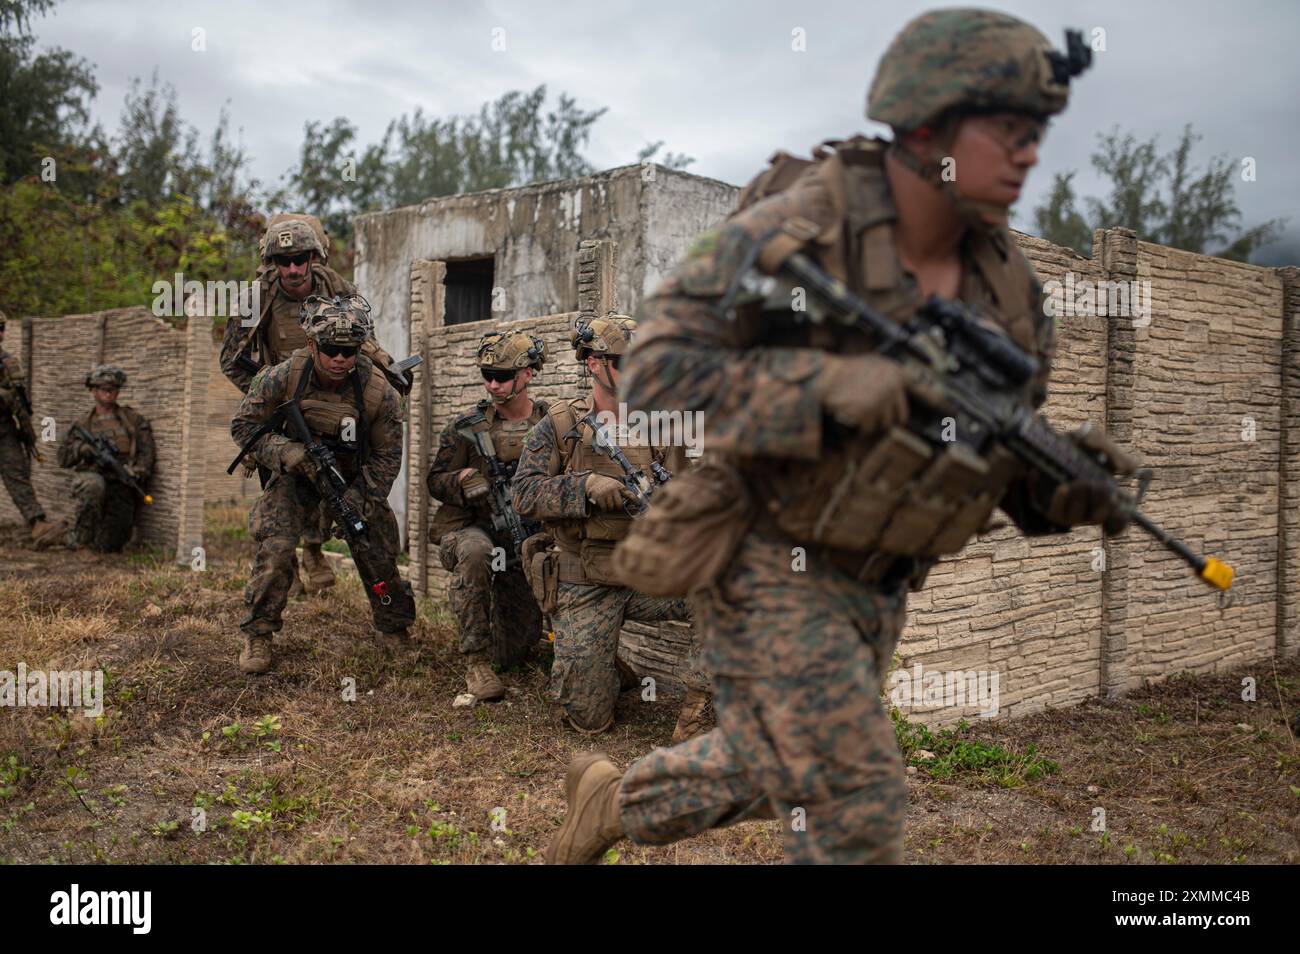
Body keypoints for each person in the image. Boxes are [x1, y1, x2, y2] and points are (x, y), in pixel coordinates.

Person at [546, 10, 1131, 864]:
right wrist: (828, 389)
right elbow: (658, 373)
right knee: (854, 798)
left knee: (772, 763)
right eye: (1007, 129)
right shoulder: (800, 222)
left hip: (880, 579)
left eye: (1036, 132)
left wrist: (1058, 486)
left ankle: (610, 805)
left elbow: (989, 452)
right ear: (929, 120)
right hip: (764, 550)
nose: (1030, 153)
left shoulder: (1007, 291)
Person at [513, 315, 712, 742]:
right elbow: (524, 494)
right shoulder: (560, 425)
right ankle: (602, 662)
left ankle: (698, 712)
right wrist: (584, 487)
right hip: (587, 578)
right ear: (593, 363)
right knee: (588, 722)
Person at [230, 294, 415, 674]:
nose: (340, 359)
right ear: (312, 345)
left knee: (375, 549)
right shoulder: (282, 376)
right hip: (296, 474)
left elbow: (387, 458)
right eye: (331, 349)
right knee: (277, 547)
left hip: (353, 479)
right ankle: (258, 633)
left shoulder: (379, 391)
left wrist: (358, 498)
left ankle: (393, 626)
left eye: (348, 350)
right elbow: (243, 427)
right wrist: (286, 452)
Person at [426, 331, 549, 701]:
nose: (493, 384)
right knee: (477, 552)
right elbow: (435, 481)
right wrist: (461, 480)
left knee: (512, 653)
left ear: (527, 374)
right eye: (487, 376)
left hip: (524, 535)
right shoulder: (466, 427)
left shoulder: (551, 424)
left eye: (502, 375)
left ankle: (588, 655)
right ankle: (475, 663)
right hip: (470, 529)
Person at [57, 366, 156, 552]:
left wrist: (137, 471)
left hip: (121, 480)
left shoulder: (132, 420)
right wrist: (82, 449)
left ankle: (66, 535)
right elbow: (62, 458)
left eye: (114, 389)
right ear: (93, 390)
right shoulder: (82, 424)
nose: (109, 394)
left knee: (111, 544)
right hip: (92, 475)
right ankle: (81, 542)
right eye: (104, 389)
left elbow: (147, 453)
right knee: (93, 486)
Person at [0, 309, 59, 546]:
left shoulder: (7, 364)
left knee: (17, 474)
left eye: (0, 328)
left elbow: (21, 404)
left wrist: (28, 435)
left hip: (3, 429)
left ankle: (37, 523)